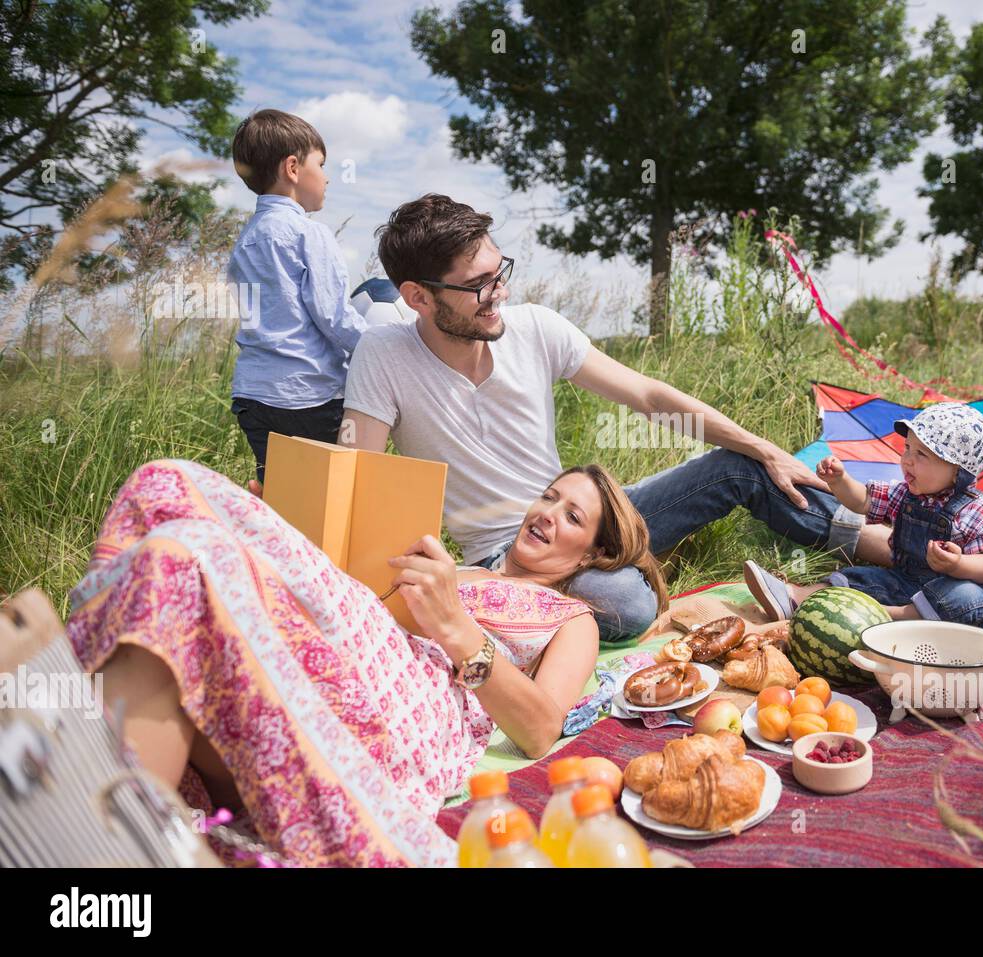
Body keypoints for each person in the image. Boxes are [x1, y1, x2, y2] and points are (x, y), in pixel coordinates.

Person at [341, 194, 911, 644]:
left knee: (742, 465)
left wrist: (767, 448)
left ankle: (890, 547)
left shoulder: (536, 327)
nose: (498, 293)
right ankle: (624, 570)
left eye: (499, 272)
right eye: (476, 286)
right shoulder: (385, 356)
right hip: (511, 554)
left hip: (585, 518)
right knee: (629, 604)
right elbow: (358, 478)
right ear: (417, 297)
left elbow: (648, 396)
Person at [63, 458, 666, 867]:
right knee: (166, 506)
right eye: (549, 496)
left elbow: (539, 730)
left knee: (183, 539)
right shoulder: (454, 565)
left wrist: (458, 629)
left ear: (597, 553)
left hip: (410, 707)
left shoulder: (569, 617)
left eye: (572, 517)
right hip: (348, 649)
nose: (547, 513)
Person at [743, 403, 983, 629]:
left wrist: (957, 565)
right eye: (907, 447)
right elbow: (863, 501)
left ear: (958, 472)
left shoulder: (981, 511)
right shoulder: (906, 494)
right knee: (858, 577)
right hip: (903, 582)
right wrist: (840, 481)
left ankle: (882, 618)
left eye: (921, 455)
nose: (907, 459)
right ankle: (795, 598)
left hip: (951, 598)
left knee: (964, 597)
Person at [227, 109, 369, 482]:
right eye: (321, 165)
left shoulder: (246, 240)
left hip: (254, 396)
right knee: (328, 499)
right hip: (308, 395)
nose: (327, 178)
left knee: (281, 495)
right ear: (292, 168)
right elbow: (333, 316)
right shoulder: (309, 233)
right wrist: (380, 346)